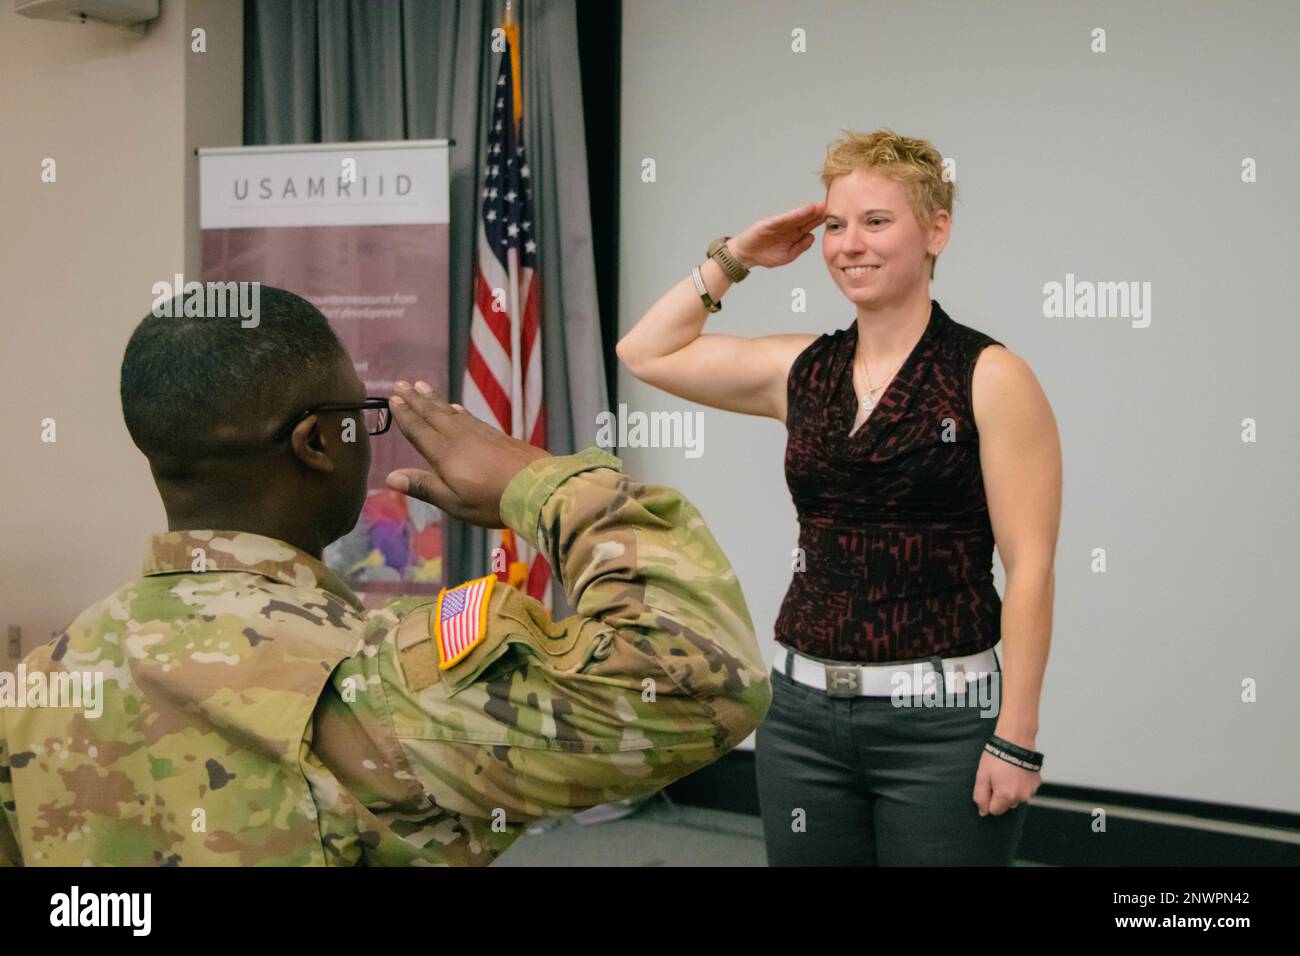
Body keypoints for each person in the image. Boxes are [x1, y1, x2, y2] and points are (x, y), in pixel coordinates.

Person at [0, 286, 770, 867]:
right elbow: (701, 683)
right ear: (317, 442)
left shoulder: (40, 684)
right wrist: (541, 483)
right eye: (360, 415)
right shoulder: (386, 688)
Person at [617, 128, 1061, 865]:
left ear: (937, 231)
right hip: (801, 719)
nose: (849, 244)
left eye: (876, 222)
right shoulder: (803, 369)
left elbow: (1033, 568)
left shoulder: (990, 375)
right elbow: (645, 351)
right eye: (834, 225)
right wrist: (737, 259)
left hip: (941, 725)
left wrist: (1017, 737)